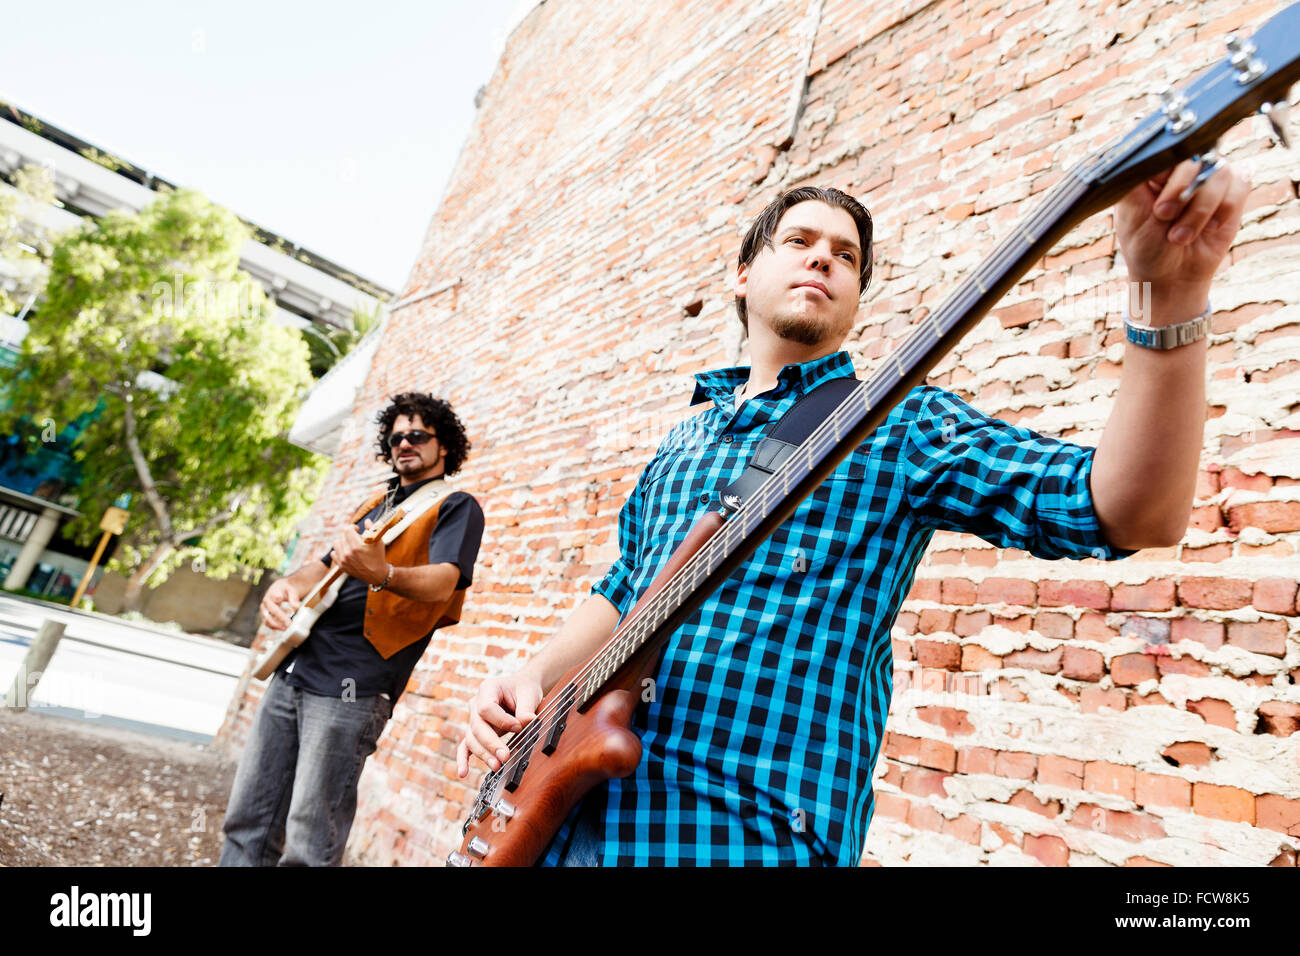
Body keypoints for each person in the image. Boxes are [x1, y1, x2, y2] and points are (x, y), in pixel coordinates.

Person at [458, 161, 1248, 866]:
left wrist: (1167, 294)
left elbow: (1128, 510)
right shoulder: (683, 441)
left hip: (736, 834)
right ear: (742, 274)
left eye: (846, 256)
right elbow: (626, 589)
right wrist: (531, 674)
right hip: (560, 824)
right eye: (799, 240)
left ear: (857, 296)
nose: (823, 258)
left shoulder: (900, 424)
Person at [221, 392, 485, 866]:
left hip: (354, 684)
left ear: (443, 445)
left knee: (310, 838)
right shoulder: (376, 503)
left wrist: (381, 574)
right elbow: (323, 567)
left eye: (418, 435)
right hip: (295, 668)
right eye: (396, 436)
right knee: (248, 820)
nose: (404, 443)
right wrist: (284, 586)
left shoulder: (455, 505)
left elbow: (444, 582)